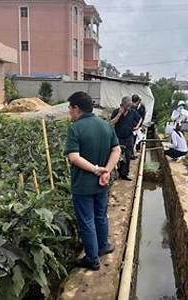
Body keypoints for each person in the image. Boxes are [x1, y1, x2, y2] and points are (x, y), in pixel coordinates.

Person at [65, 91, 122, 270]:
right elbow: (116, 150)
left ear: (77, 108)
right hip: (102, 184)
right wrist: (107, 171)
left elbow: (74, 157)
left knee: (87, 220)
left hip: (83, 185)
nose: (69, 112)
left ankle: (92, 258)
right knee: (100, 215)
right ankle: (103, 246)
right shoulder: (105, 125)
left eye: (70, 108)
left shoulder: (76, 128)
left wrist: (97, 170)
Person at [110, 96, 140, 181]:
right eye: (127, 105)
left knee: (127, 156)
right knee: (117, 156)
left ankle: (125, 174)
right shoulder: (116, 111)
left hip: (128, 137)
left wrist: (137, 126)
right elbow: (111, 123)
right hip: (118, 138)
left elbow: (140, 119)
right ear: (122, 104)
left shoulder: (132, 112)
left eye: (130, 105)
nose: (129, 107)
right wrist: (119, 114)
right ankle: (116, 172)